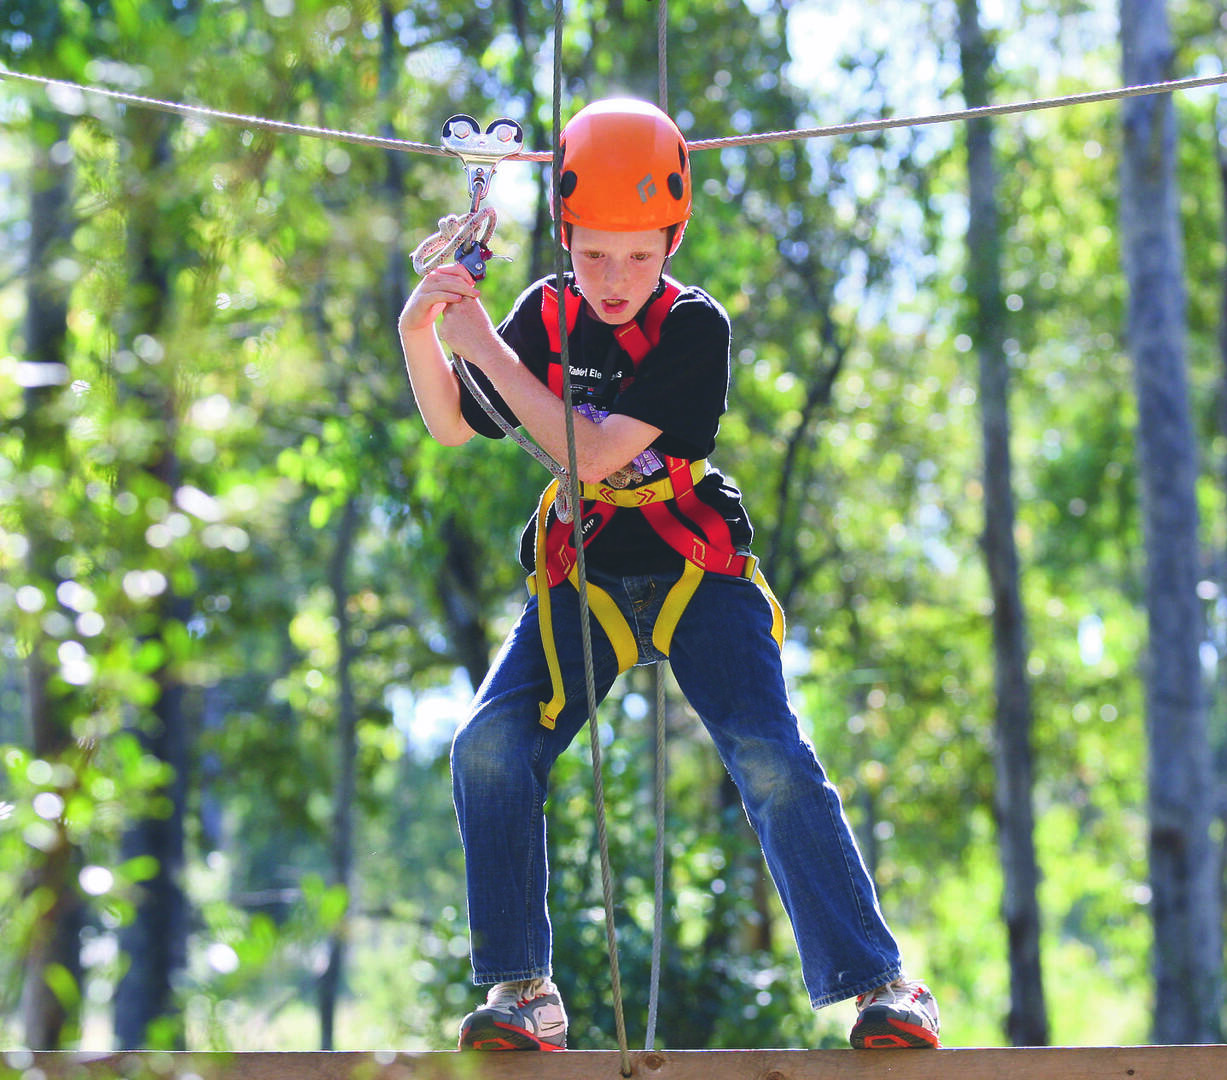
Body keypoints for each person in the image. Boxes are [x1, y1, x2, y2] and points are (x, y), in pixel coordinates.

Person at [398, 97, 940, 1052]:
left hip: (696, 563)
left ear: (673, 241)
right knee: (488, 746)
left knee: (768, 752)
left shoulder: (696, 327)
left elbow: (597, 452)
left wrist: (480, 345)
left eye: (640, 255)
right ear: (563, 235)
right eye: (594, 253)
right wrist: (423, 334)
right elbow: (455, 423)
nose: (614, 278)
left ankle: (882, 986)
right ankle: (523, 990)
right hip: (588, 567)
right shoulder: (545, 314)